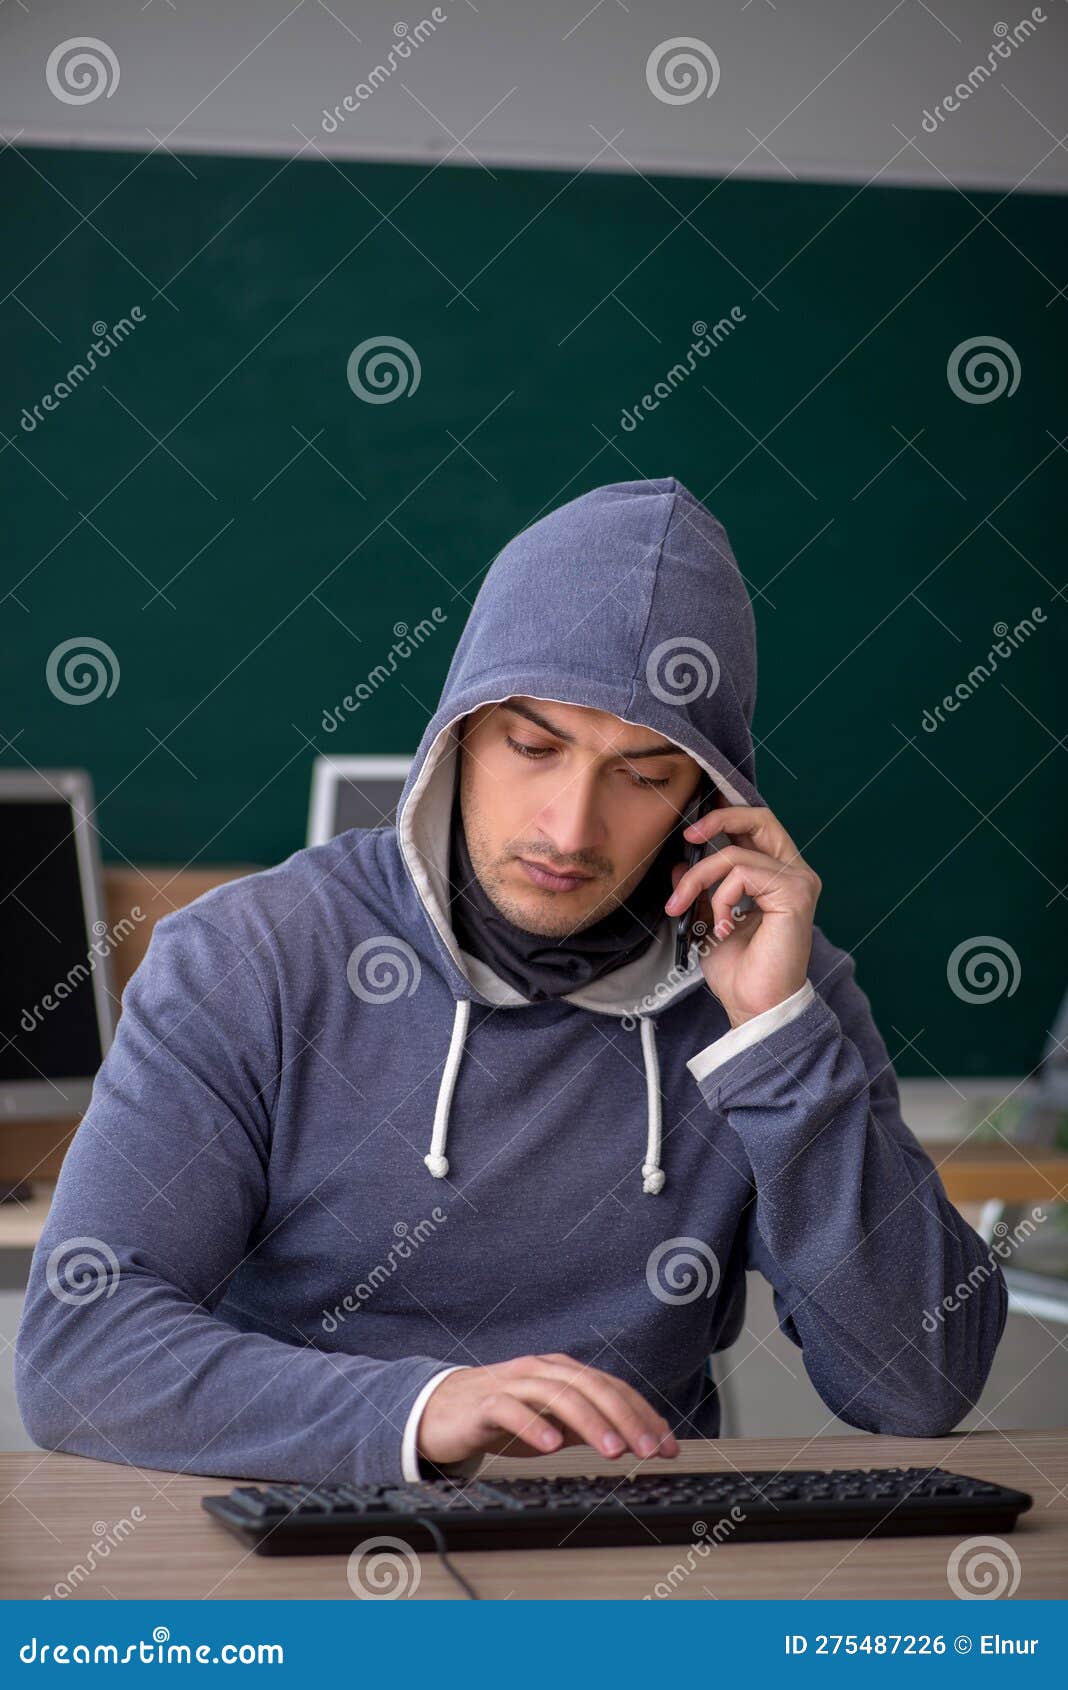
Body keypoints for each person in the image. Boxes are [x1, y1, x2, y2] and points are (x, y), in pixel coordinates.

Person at [15, 476, 1007, 1487]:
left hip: (635, 1582)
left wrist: (780, 1043)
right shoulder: (249, 957)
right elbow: (81, 1353)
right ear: (460, 736)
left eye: (643, 773)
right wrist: (422, 1405)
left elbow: (920, 1385)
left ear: (706, 799)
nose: (570, 829)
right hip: (300, 1552)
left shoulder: (777, 985)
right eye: (535, 746)